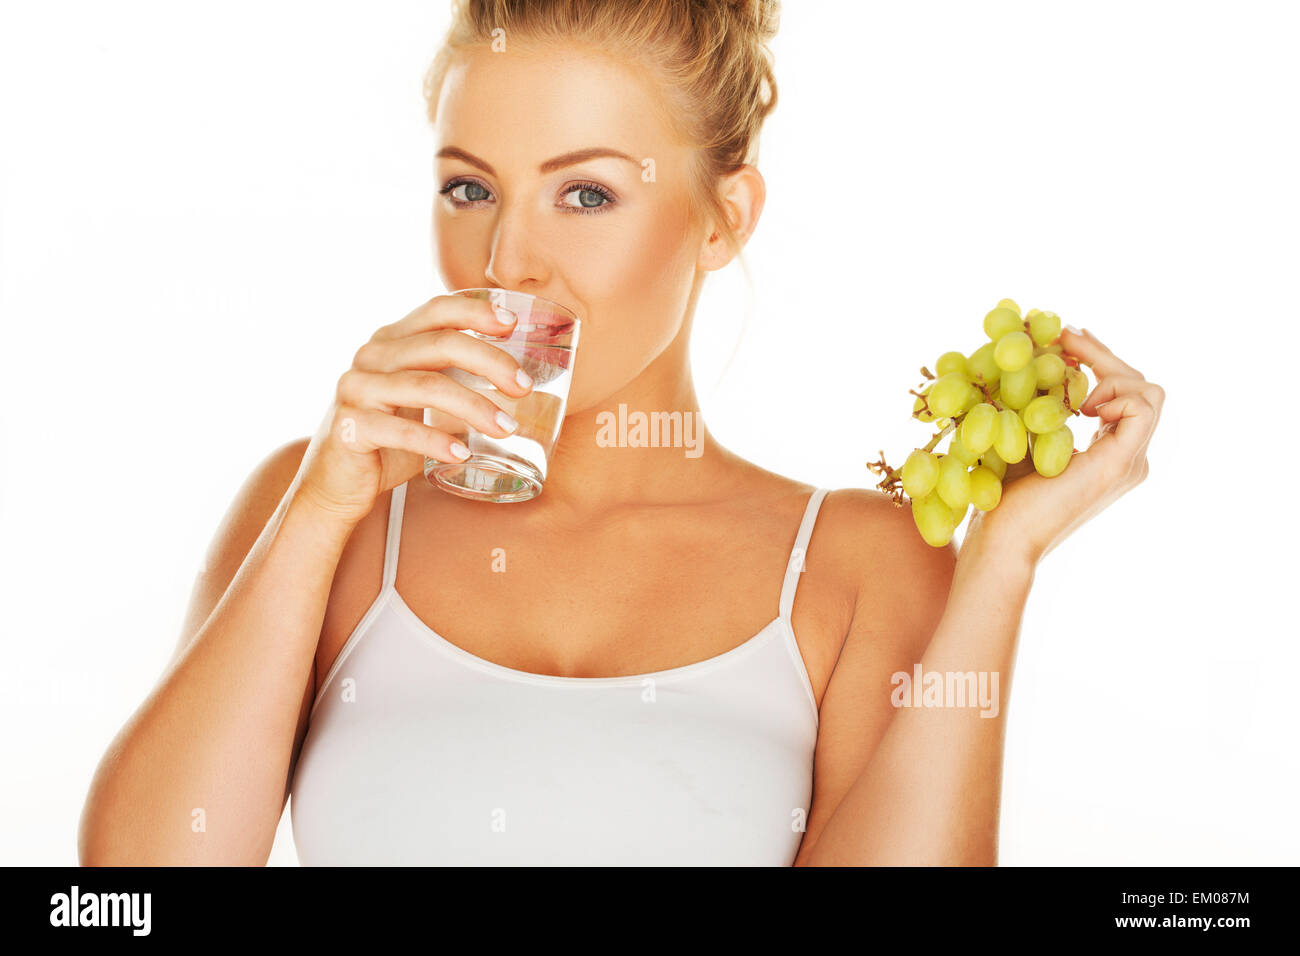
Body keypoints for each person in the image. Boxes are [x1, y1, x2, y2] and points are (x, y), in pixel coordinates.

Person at [77, 0, 1163, 866]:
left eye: (585, 195)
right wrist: (319, 508)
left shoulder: (858, 564)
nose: (507, 262)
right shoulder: (330, 512)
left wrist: (1002, 564)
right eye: (470, 188)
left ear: (724, 219)